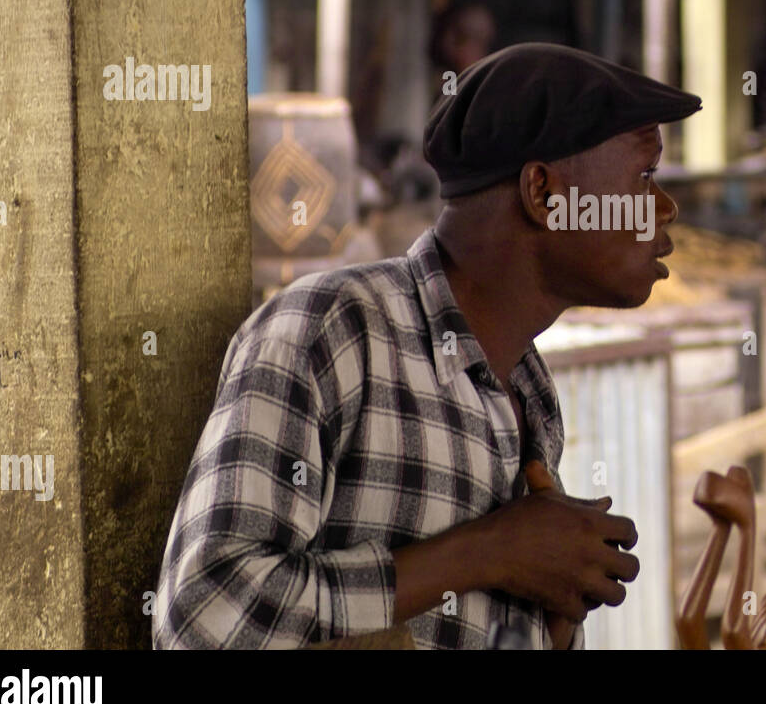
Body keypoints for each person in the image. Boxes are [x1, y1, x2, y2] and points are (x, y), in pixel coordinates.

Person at [153, 42, 702, 649]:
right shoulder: (333, 330)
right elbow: (203, 616)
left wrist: (553, 622)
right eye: (645, 177)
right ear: (545, 194)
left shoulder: (529, 388)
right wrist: (488, 552)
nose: (665, 208)